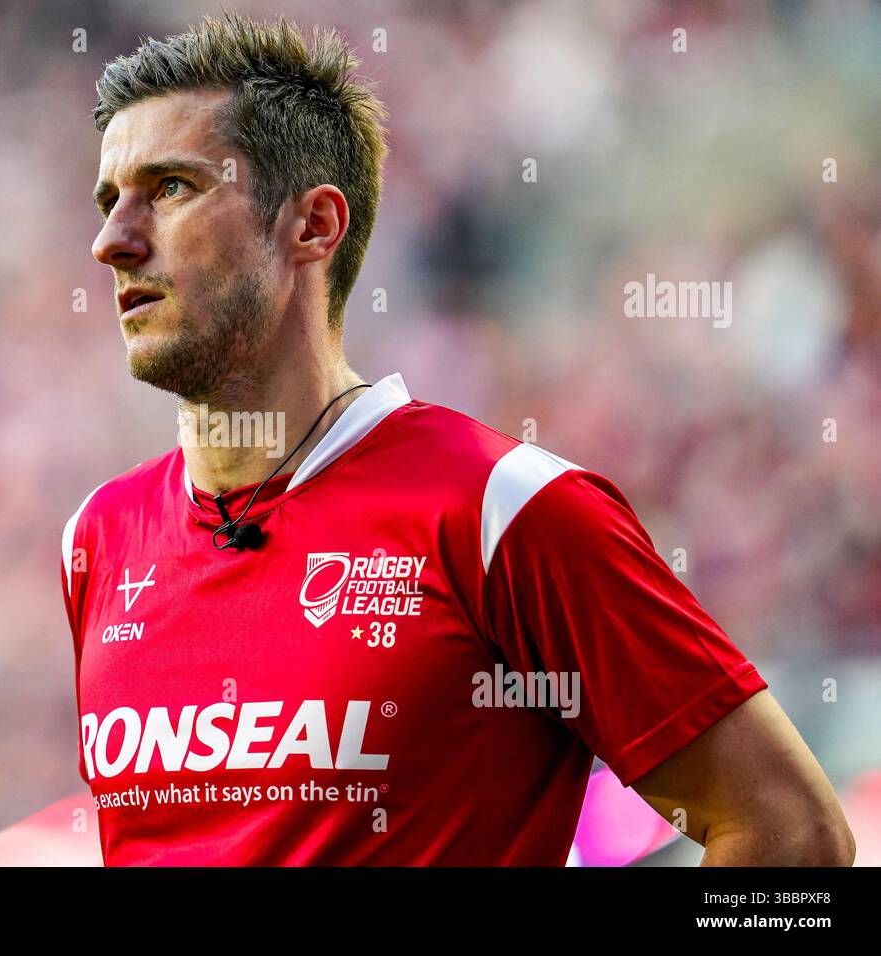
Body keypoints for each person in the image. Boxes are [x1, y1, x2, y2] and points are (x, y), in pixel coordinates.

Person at [61, 12, 855, 865]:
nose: (113, 241)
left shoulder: (502, 507)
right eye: (111, 200)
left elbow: (792, 834)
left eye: (171, 188)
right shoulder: (98, 537)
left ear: (312, 227)